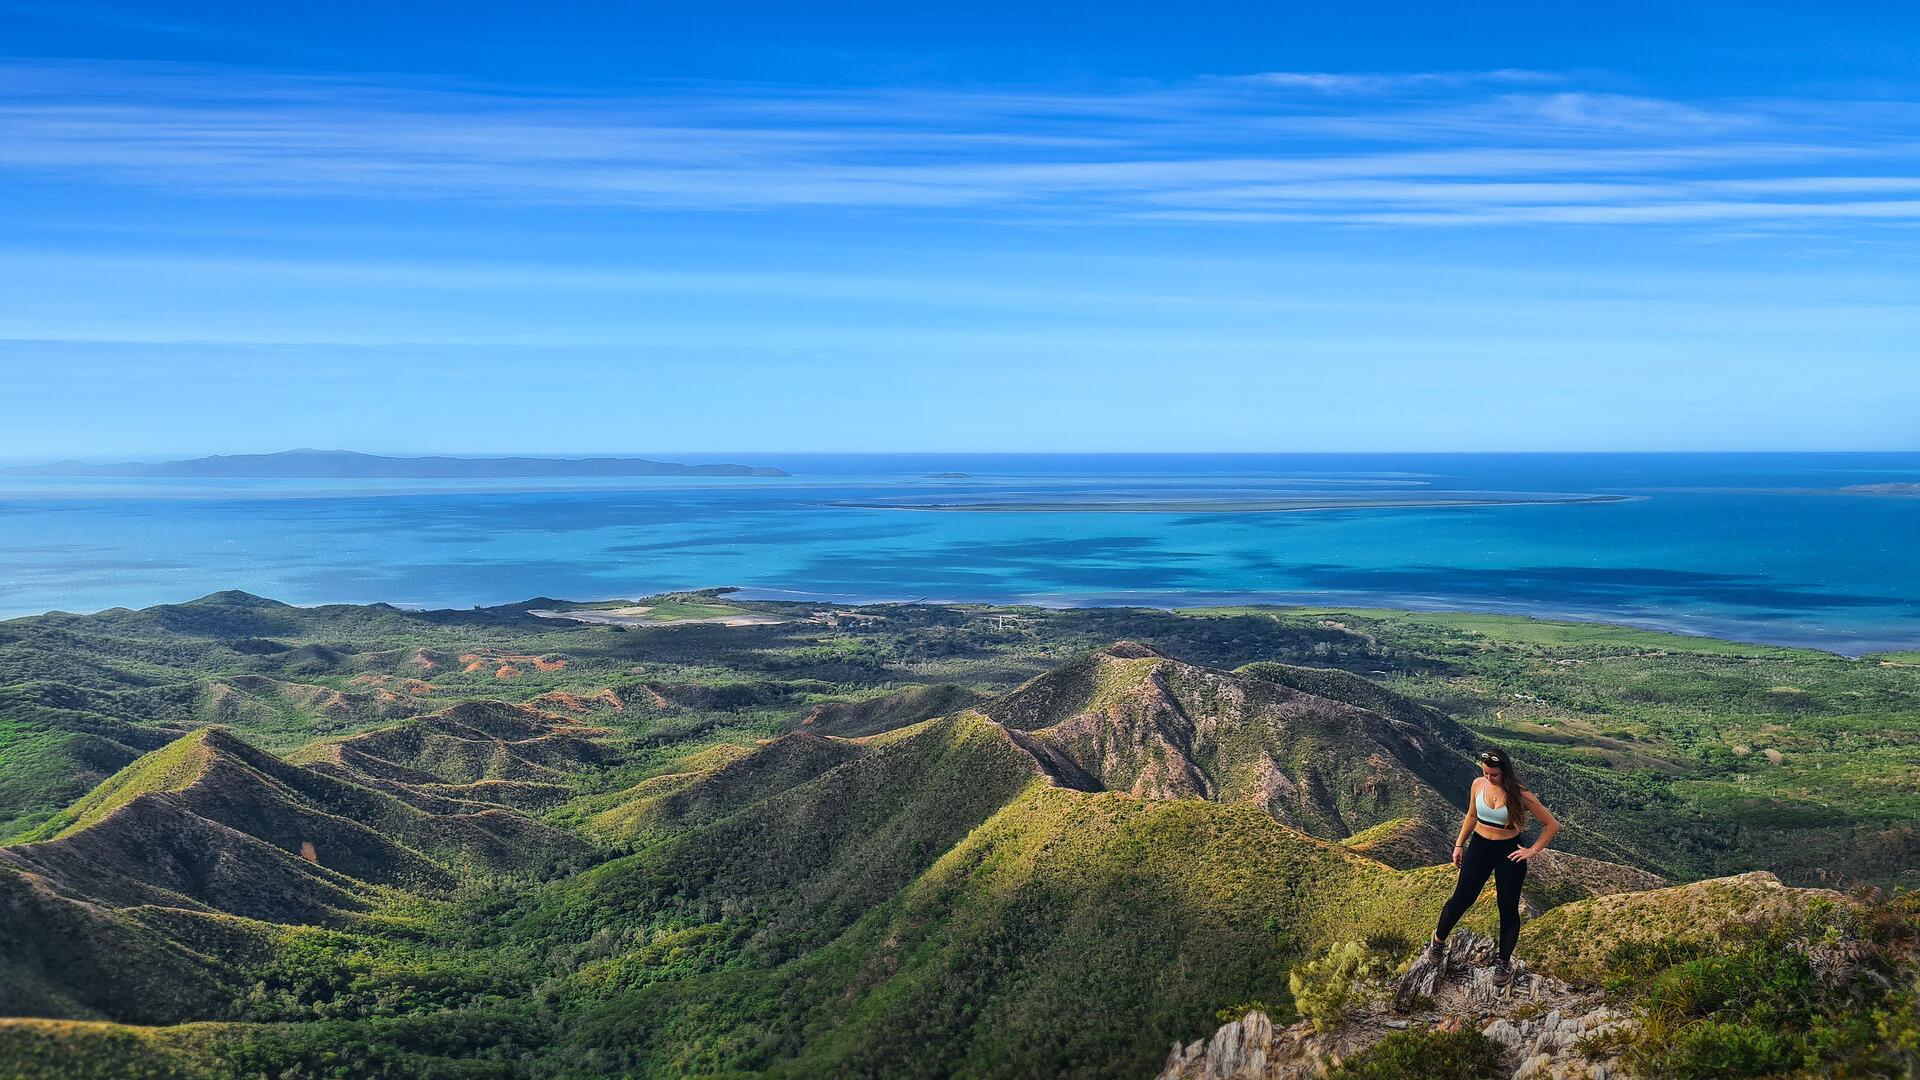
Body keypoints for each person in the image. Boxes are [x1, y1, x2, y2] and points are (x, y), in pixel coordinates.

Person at [1421, 747, 1559, 985]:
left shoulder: (1521, 794)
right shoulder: (1478, 785)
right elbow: (1471, 816)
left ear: (1505, 772)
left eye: (1493, 774)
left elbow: (1551, 825)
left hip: (1509, 852)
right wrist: (1459, 844)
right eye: (1485, 773)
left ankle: (1503, 962)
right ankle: (1438, 941)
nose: (1488, 777)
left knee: (1508, 908)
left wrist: (1532, 850)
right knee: (1461, 898)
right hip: (1479, 847)